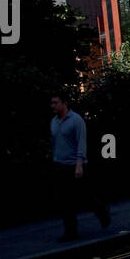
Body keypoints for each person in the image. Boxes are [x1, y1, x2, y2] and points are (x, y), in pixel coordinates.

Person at [49, 93, 110, 241]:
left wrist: (79, 165)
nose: (53, 106)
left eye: (55, 103)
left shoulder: (76, 121)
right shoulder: (54, 122)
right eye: (51, 103)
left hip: (75, 166)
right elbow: (54, 143)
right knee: (65, 201)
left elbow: (81, 144)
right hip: (60, 166)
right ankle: (71, 232)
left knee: (86, 197)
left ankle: (101, 211)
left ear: (64, 103)